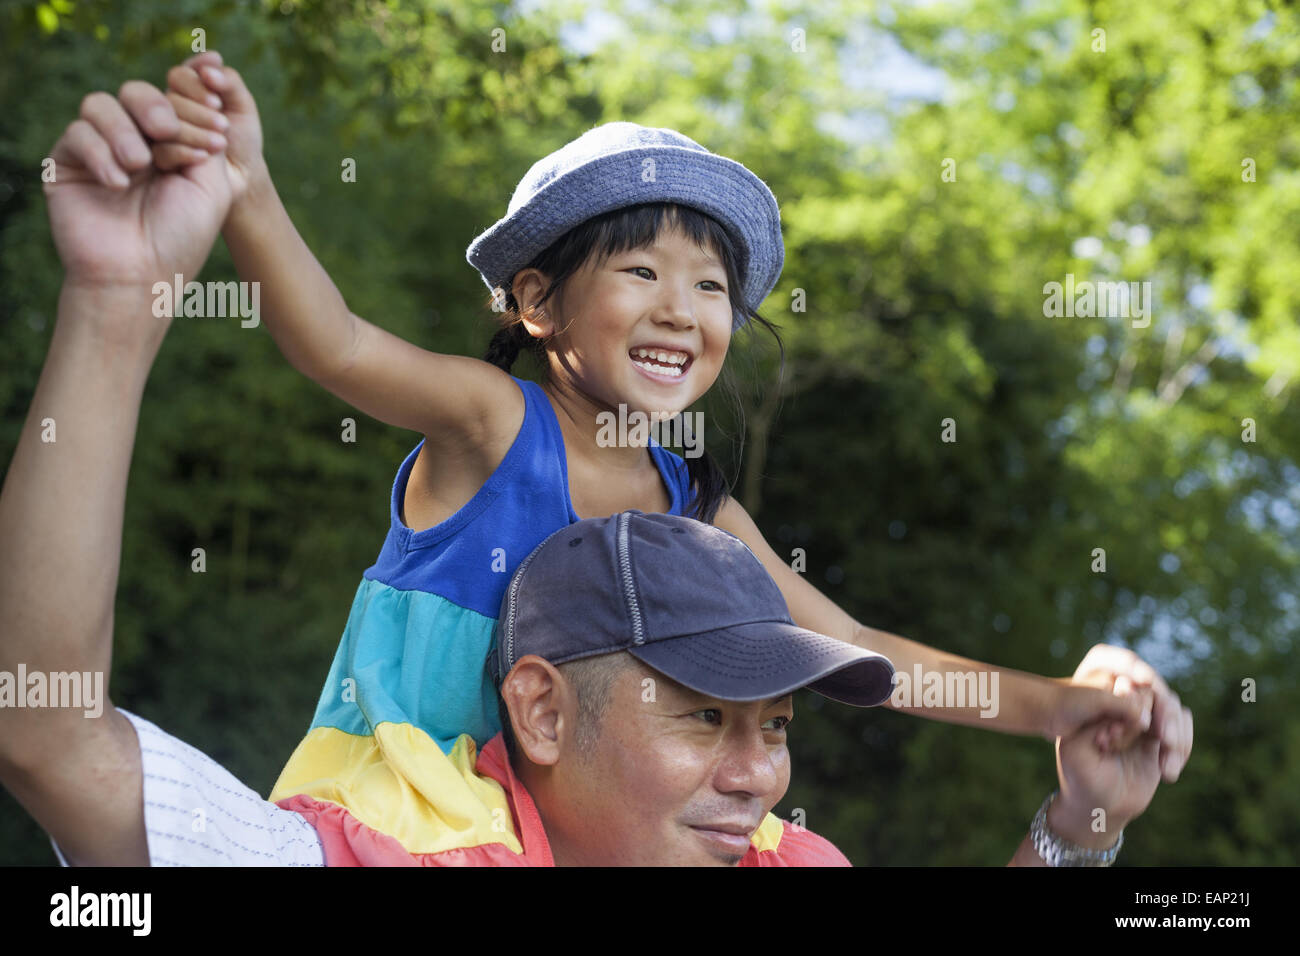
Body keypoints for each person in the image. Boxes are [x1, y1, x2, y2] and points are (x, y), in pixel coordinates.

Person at [0, 65, 1180, 867]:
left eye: (711, 285)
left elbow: (864, 651)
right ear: (533, 301)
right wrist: (243, 195)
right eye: (641, 273)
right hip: (427, 795)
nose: (683, 309)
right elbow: (337, 343)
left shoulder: (697, 508)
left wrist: (1058, 711)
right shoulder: (490, 420)